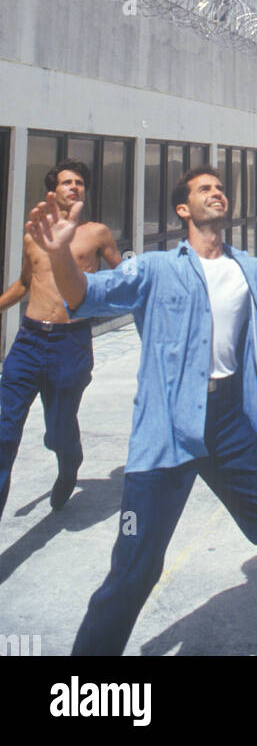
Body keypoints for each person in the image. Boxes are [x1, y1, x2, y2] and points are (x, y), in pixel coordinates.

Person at [26, 166, 257, 656]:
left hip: (229, 423)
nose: (217, 192)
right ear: (184, 209)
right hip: (166, 428)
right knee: (135, 566)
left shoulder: (249, 270)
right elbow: (84, 295)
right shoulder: (155, 268)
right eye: (205, 189)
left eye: (220, 188)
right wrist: (59, 254)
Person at [0, 160, 121, 518]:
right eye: (67, 182)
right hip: (29, 341)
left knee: (58, 431)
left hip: (72, 344)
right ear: (52, 192)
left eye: (80, 182)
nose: (74, 187)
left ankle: (69, 463)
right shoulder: (33, 235)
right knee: (4, 432)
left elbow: (124, 276)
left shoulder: (97, 233)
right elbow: (24, 284)